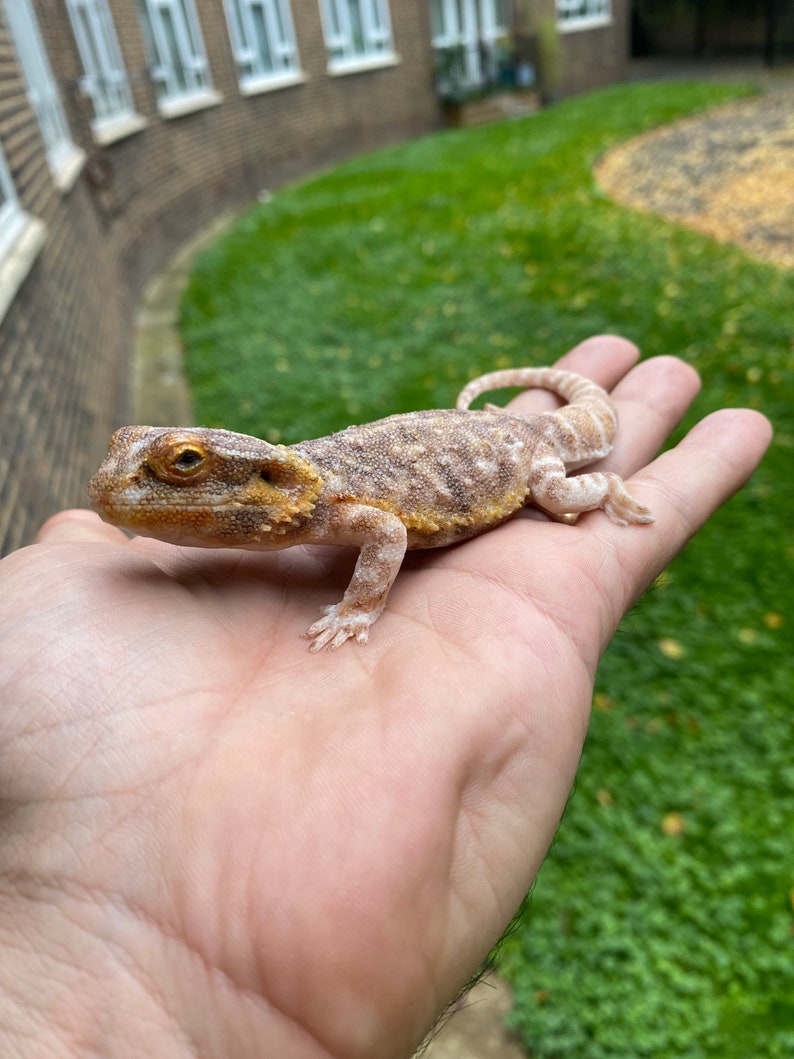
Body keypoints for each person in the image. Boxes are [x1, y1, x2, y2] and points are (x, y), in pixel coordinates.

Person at [0, 337, 771, 1059]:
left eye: (185, 465)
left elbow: (387, 532)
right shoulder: (296, 504)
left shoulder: (325, 504)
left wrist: (361, 608)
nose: (123, 489)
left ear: (266, 479)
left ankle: (597, 486)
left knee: (564, 499)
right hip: (485, 436)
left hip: (527, 455)